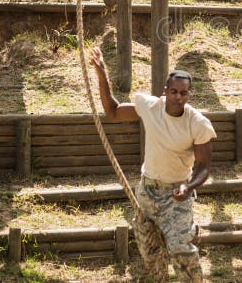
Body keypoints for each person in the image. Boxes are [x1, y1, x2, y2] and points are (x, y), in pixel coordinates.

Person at [89, 46, 215, 282]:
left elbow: (204, 167)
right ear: (165, 91)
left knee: (180, 248)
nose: (178, 97)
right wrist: (102, 75)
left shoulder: (197, 123)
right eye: (174, 91)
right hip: (147, 191)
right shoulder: (150, 107)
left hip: (176, 192)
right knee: (151, 256)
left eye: (184, 93)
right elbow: (113, 112)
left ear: (189, 94)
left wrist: (188, 188)